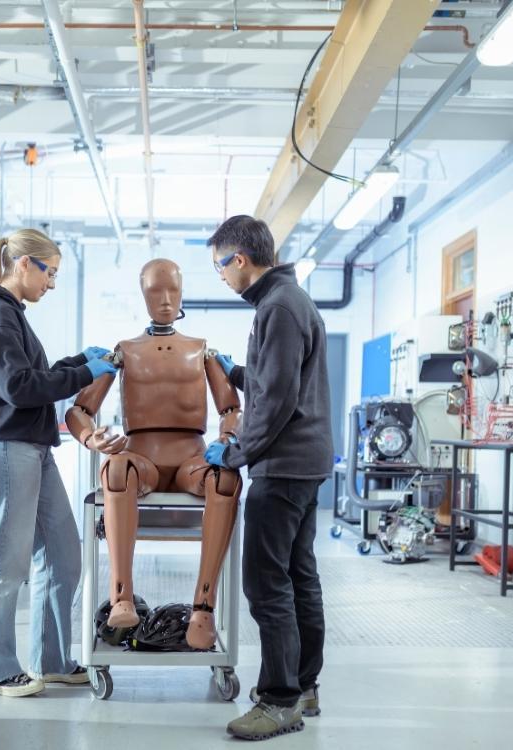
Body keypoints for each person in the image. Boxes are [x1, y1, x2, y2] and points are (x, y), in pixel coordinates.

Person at [0, 228, 117, 697]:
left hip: (31, 446)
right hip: (6, 446)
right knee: (5, 564)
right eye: (50, 273)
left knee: (64, 554)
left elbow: (34, 376)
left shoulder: (12, 315)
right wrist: (84, 374)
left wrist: (78, 362)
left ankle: (50, 661)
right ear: (24, 263)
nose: (51, 284)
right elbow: (19, 388)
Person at [65, 258, 242, 650]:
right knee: (115, 470)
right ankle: (122, 597)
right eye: (154, 291)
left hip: (192, 460)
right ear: (142, 295)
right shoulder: (125, 352)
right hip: (139, 458)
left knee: (227, 478)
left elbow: (231, 408)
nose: (164, 300)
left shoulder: (202, 352)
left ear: (182, 295)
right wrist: (93, 439)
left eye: (172, 291)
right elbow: (79, 410)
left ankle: (203, 607)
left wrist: (227, 439)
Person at [202, 215, 333, 741]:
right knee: (301, 576)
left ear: (240, 259)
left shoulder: (276, 308)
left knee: (266, 582)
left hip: (281, 467)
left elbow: (276, 400)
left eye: (220, 267)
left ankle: (279, 702)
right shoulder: (290, 302)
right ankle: (304, 688)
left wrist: (236, 453)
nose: (222, 278)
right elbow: (277, 379)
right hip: (308, 463)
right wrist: (237, 372)